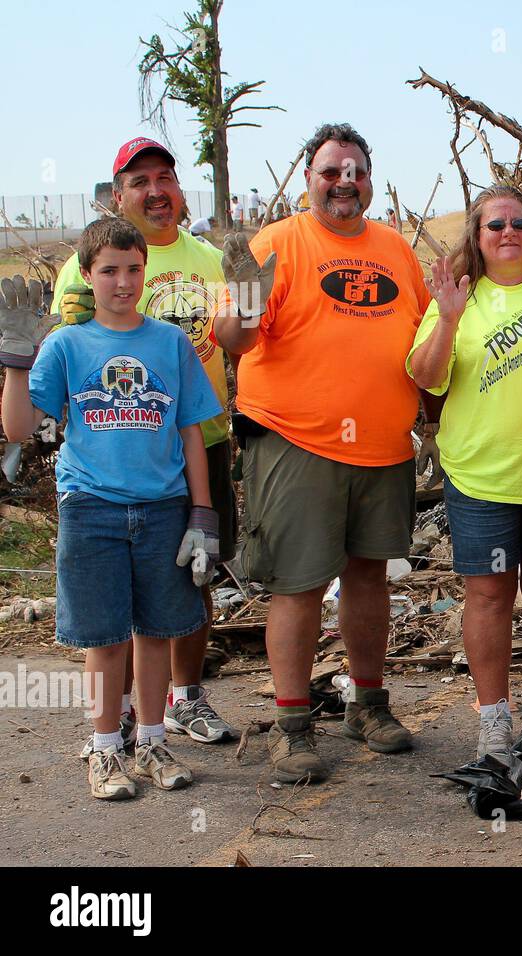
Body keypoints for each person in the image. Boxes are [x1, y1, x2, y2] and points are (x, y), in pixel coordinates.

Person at [215, 123, 431, 783]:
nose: (345, 181)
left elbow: (426, 347)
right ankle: (291, 724)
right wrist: (245, 305)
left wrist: (435, 428)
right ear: (308, 177)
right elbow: (232, 341)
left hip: (382, 447)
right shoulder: (277, 242)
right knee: (299, 583)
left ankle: (368, 704)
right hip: (294, 442)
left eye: (356, 171)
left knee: (368, 577)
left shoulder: (396, 250)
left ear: (369, 179)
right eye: (332, 170)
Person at [2, 218, 222, 799]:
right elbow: (19, 429)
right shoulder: (67, 345)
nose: (122, 282)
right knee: (105, 640)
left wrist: (202, 513)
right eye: (109, 271)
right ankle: (105, 750)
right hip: (91, 508)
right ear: (87, 274)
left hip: (162, 508)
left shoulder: (170, 343)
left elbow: (192, 431)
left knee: (156, 632)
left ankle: (151, 740)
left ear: (144, 271)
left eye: (132, 269)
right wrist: (16, 364)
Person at [52, 137, 239, 751]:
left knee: (189, 577)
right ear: (118, 195)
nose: (155, 191)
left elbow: (238, 341)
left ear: (181, 191)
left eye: (165, 177)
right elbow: (66, 355)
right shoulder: (91, 264)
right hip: (112, 458)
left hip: (197, 439)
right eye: (140, 181)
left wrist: (250, 293)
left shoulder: (209, 260)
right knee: (115, 604)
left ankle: (185, 698)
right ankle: (122, 717)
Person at [406, 185, 522, 757]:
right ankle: (493, 716)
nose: (509, 232)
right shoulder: (459, 298)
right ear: (477, 237)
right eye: (495, 225)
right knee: (487, 596)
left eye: (519, 223)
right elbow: (424, 376)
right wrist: (446, 319)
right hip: (479, 475)